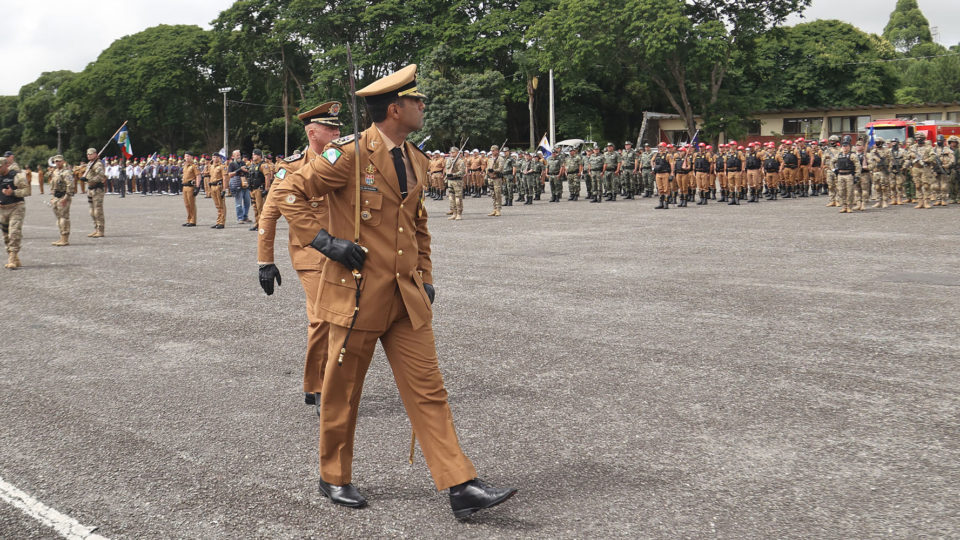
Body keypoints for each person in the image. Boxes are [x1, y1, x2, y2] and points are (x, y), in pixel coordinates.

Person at [273, 65, 516, 518]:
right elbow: (289, 191)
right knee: (343, 393)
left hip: (405, 298)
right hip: (357, 297)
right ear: (394, 108)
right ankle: (334, 476)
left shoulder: (417, 159)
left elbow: (418, 226)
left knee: (430, 391)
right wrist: (324, 241)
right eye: (416, 101)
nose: (423, 106)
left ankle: (460, 484)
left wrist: (425, 276)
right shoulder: (348, 154)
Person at [258, 100, 342, 412]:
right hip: (310, 257)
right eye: (330, 128)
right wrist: (265, 260)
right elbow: (269, 216)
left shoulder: (342, 161)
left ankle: (313, 384)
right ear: (312, 132)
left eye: (338, 128)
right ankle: (321, 388)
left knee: (345, 318)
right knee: (323, 318)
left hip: (344, 253)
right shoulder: (291, 169)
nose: (336, 132)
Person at [1, 151, 29, 268]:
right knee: (6, 235)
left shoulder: (16, 176)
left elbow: (26, 191)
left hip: (16, 207)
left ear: (6, 165)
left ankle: (12, 258)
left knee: (14, 233)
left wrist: (12, 192)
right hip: (2, 209)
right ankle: (15, 257)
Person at [49, 155, 75, 246]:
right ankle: (61, 238)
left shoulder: (66, 172)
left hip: (64, 197)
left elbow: (70, 185)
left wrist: (66, 198)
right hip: (56, 197)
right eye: (56, 161)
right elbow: (53, 185)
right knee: (59, 218)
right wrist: (52, 197)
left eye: (59, 161)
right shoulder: (55, 172)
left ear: (63, 161)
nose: (57, 163)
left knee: (64, 218)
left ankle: (65, 239)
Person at [82, 148, 106, 237]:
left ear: (96, 154)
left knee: (98, 211)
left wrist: (88, 179)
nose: (89, 155)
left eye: (91, 154)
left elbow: (100, 176)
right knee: (92, 211)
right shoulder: (90, 164)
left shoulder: (98, 164)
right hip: (90, 189)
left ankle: (101, 230)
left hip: (97, 189)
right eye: (87, 154)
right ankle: (96, 229)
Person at [227, 150, 251, 223]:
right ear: (233, 156)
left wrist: (247, 171)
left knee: (247, 202)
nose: (238, 156)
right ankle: (240, 218)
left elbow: (247, 172)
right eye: (237, 155)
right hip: (237, 184)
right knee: (239, 203)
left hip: (245, 183)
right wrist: (239, 169)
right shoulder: (232, 164)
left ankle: (245, 216)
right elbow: (230, 174)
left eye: (239, 154)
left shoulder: (243, 163)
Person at [444, 145, 466, 219]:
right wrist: (448, 173)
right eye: (451, 152)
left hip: (457, 181)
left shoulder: (460, 161)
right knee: (451, 198)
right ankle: (454, 213)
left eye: (453, 152)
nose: (451, 154)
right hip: (450, 181)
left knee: (458, 198)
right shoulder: (449, 160)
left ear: (457, 152)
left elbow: (462, 172)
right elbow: (447, 169)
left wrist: (453, 174)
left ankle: (459, 213)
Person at [485, 144, 505, 216]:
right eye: (491, 151)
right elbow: (487, 168)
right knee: (493, 194)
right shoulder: (490, 159)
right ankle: (494, 209)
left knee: (498, 194)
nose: (492, 152)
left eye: (493, 151)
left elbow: (500, 168)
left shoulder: (500, 159)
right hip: (491, 178)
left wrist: (493, 170)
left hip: (497, 178)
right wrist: (488, 173)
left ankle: (498, 209)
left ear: (497, 151)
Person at [181, 153, 199, 226]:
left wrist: (197, 187)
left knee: (191, 204)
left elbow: (198, 176)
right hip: (184, 187)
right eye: (185, 156)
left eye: (188, 156)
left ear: (192, 157)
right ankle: (189, 219)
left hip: (190, 187)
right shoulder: (185, 166)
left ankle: (193, 221)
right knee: (187, 204)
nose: (186, 157)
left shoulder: (194, 166)